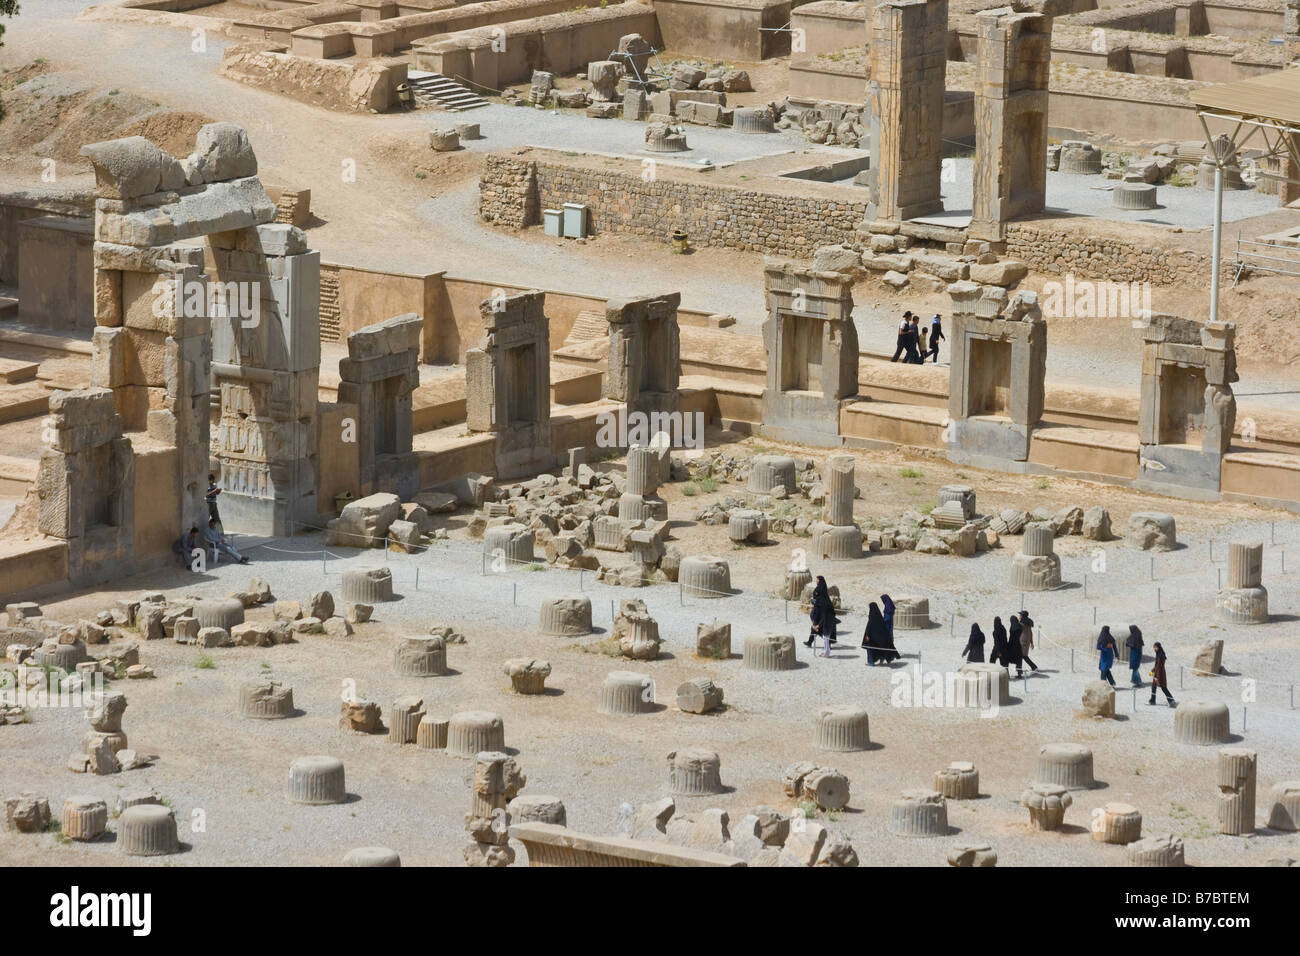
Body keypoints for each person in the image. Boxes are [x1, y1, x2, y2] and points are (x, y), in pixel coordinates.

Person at [806, 575, 838, 652]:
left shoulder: (820, 592)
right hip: (822, 612)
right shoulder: (823, 591)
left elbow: (816, 598)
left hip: (822, 613)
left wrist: (814, 601)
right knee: (818, 628)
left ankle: (825, 646)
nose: (816, 580)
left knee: (819, 628)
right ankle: (810, 642)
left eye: (817, 579)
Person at [1148, 642, 1176, 707]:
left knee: (1163, 687)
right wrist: (1153, 670)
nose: (1154, 649)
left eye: (1155, 647)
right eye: (1154, 647)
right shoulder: (1159, 654)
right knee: (1154, 686)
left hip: (1160, 674)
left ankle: (1171, 700)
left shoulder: (1160, 656)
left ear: (1158, 647)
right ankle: (1152, 700)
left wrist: (1156, 677)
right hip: (1158, 672)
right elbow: (1157, 665)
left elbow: (1159, 667)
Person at [1006, 613, 1026, 678]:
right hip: (1018, 645)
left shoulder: (1012, 627)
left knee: (1007, 659)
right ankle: (1019, 673)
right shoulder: (1020, 627)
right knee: (1018, 660)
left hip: (1011, 645)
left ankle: (1007, 674)